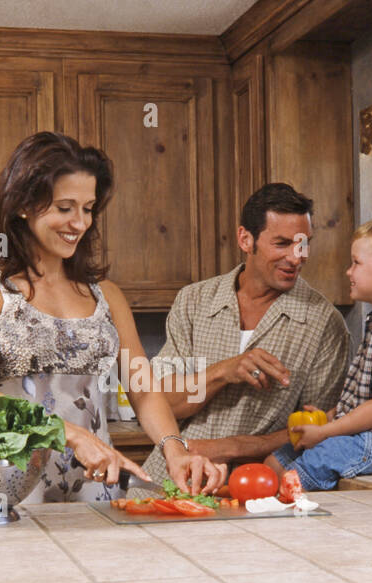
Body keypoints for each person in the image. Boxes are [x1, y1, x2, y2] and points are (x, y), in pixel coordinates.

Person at [0, 132, 227, 502]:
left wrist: (175, 449)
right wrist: (72, 435)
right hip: (12, 488)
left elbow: (142, 388)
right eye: (64, 208)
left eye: (88, 208)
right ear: (24, 205)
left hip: (96, 487)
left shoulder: (105, 294)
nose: (79, 223)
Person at [142, 183, 350, 484]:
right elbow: (164, 403)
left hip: (250, 490)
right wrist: (223, 372)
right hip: (165, 479)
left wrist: (228, 448)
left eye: (303, 243)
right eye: (282, 243)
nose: (296, 257)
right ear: (245, 239)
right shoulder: (194, 301)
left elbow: (318, 432)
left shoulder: (324, 324)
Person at [264, 217, 372, 489]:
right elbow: (365, 399)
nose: (348, 272)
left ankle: (281, 504)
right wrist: (331, 417)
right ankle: (263, 497)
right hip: (366, 435)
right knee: (277, 460)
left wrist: (325, 432)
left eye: (356, 263)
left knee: (315, 461)